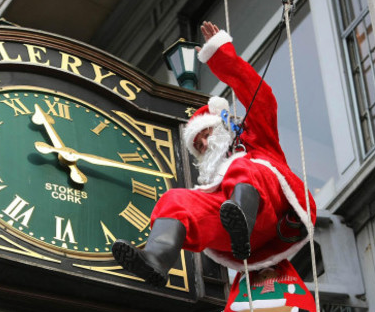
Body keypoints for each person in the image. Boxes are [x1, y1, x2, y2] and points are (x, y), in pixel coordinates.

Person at [113, 21, 316, 286]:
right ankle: (157, 259)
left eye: (207, 134)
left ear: (222, 126)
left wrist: (221, 55)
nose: (206, 145)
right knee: (176, 199)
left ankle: (242, 216)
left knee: (244, 168)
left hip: (274, 214)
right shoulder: (214, 186)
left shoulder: (255, 141)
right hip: (234, 233)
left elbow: (261, 97)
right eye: (198, 144)